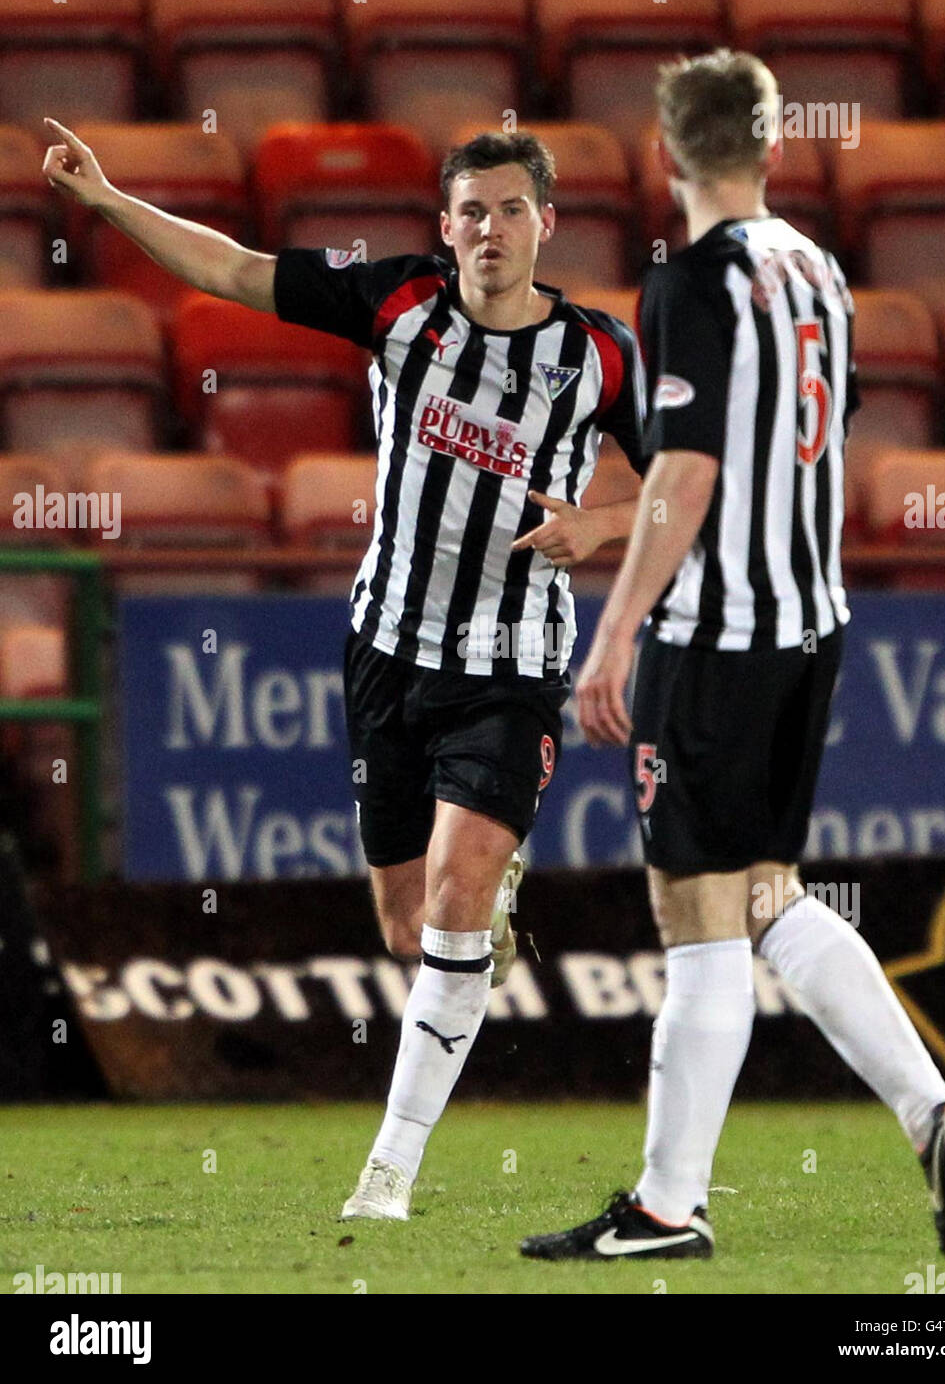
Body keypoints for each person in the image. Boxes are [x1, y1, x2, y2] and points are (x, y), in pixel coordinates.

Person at [42, 121, 647, 1221]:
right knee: (404, 924)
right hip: (384, 648)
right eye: (472, 210)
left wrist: (604, 524)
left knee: (459, 899)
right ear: (445, 226)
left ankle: (389, 1173)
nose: (491, 230)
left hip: (510, 661)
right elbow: (232, 268)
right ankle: (470, 921)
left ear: (546, 225)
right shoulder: (397, 303)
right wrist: (110, 200)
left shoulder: (601, 355)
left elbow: (689, 490)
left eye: (513, 210)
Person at [520, 50, 945, 1262]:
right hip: (811, 623)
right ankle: (932, 1109)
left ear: (666, 153)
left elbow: (683, 471)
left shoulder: (689, 281)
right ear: (774, 147)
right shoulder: (820, 269)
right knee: (768, 888)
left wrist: (616, 627)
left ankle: (666, 1209)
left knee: (696, 913)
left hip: (719, 633)